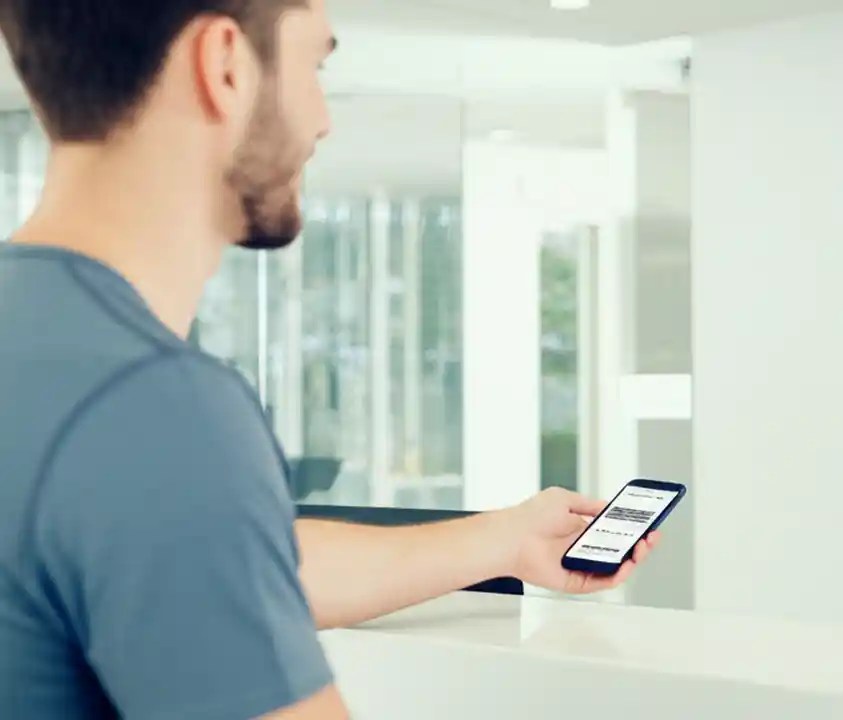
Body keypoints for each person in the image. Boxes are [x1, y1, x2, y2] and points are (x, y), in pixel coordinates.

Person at [0, 1, 658, 718]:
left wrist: (504, 539)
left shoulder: (57, 364)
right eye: (315, 66)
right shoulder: (153, 404)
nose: (324, 119)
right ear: (223, 66)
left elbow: (214, 561)